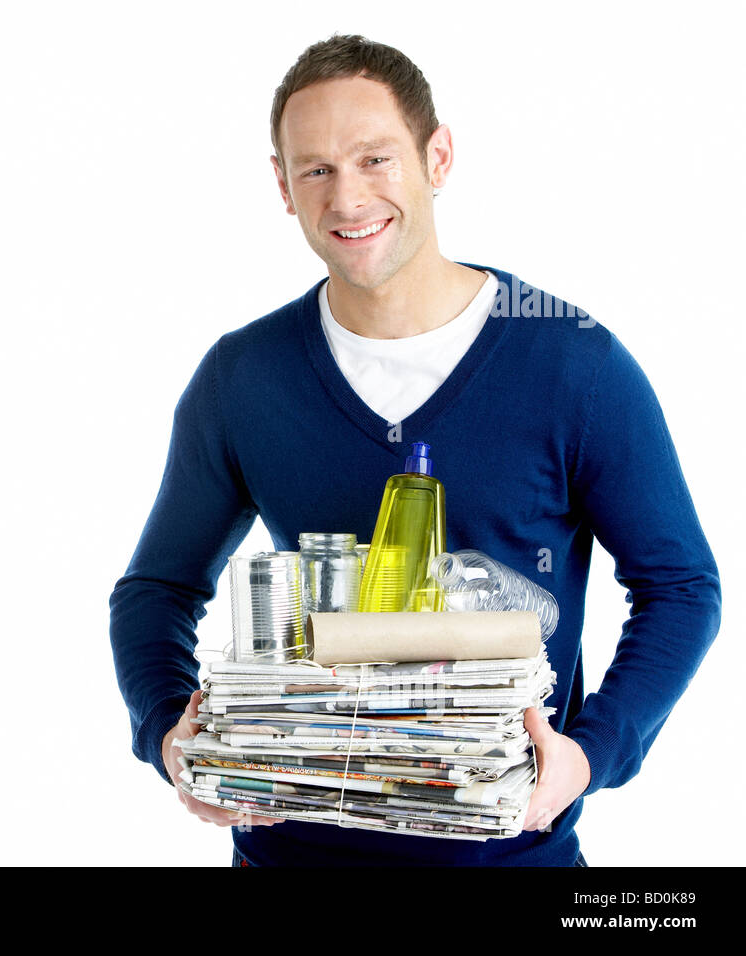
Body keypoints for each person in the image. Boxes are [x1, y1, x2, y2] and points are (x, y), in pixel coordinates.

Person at [108, 33, 721, 866]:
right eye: (315, 169)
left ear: (438, 158)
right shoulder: (241, 378)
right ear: (283, 188)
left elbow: (681, 586)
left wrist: (590, 753)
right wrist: (170, 734)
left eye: (375, 159)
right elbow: (155, 589)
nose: (347, 196)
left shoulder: (574, 364)